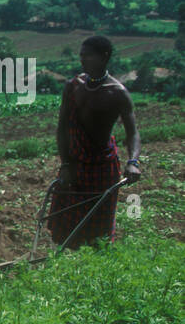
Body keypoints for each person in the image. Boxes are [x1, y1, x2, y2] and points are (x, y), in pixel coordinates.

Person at [46, 35, 141, 249]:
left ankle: (97, 268)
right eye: (81, 55)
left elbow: (133, 132)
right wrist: (66, 164)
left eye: (87, 56)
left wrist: (133, 162)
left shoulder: (117, 93)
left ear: (104, 57)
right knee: (66, 225)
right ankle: (67, 267)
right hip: (75, 165)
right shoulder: (74, 86)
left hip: (102, 167)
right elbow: (62, 128)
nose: (82, 60)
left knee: (99, 230)